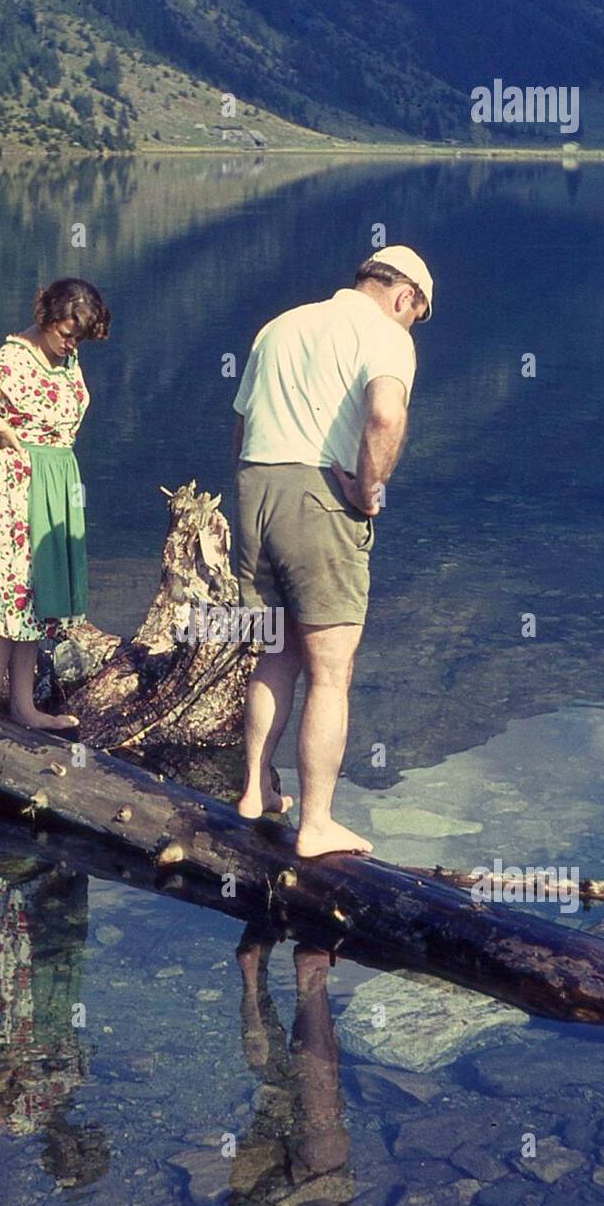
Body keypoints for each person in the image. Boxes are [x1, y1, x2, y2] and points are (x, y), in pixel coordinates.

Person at [231, 246, 433, 857]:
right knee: (331, 668)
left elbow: (240, 424)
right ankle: (315, 824)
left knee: (274, 652)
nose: (411, 326)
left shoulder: (280, 325)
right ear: (405, 298)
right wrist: (369, 490)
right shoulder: (386, 335)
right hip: (318, 497)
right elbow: (384, 417)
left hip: (252, 487)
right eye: (415, 316)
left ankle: (255, 790)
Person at [0, 278, 110, 732]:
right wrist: (2, 428)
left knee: (37, 597)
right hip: (15, 485)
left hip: (54, 479)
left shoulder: (64, 355)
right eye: (67, 333)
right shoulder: (13, 359)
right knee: (4, 598)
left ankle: (25, 707)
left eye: (79, 337)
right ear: (46, 318)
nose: (73, 344)